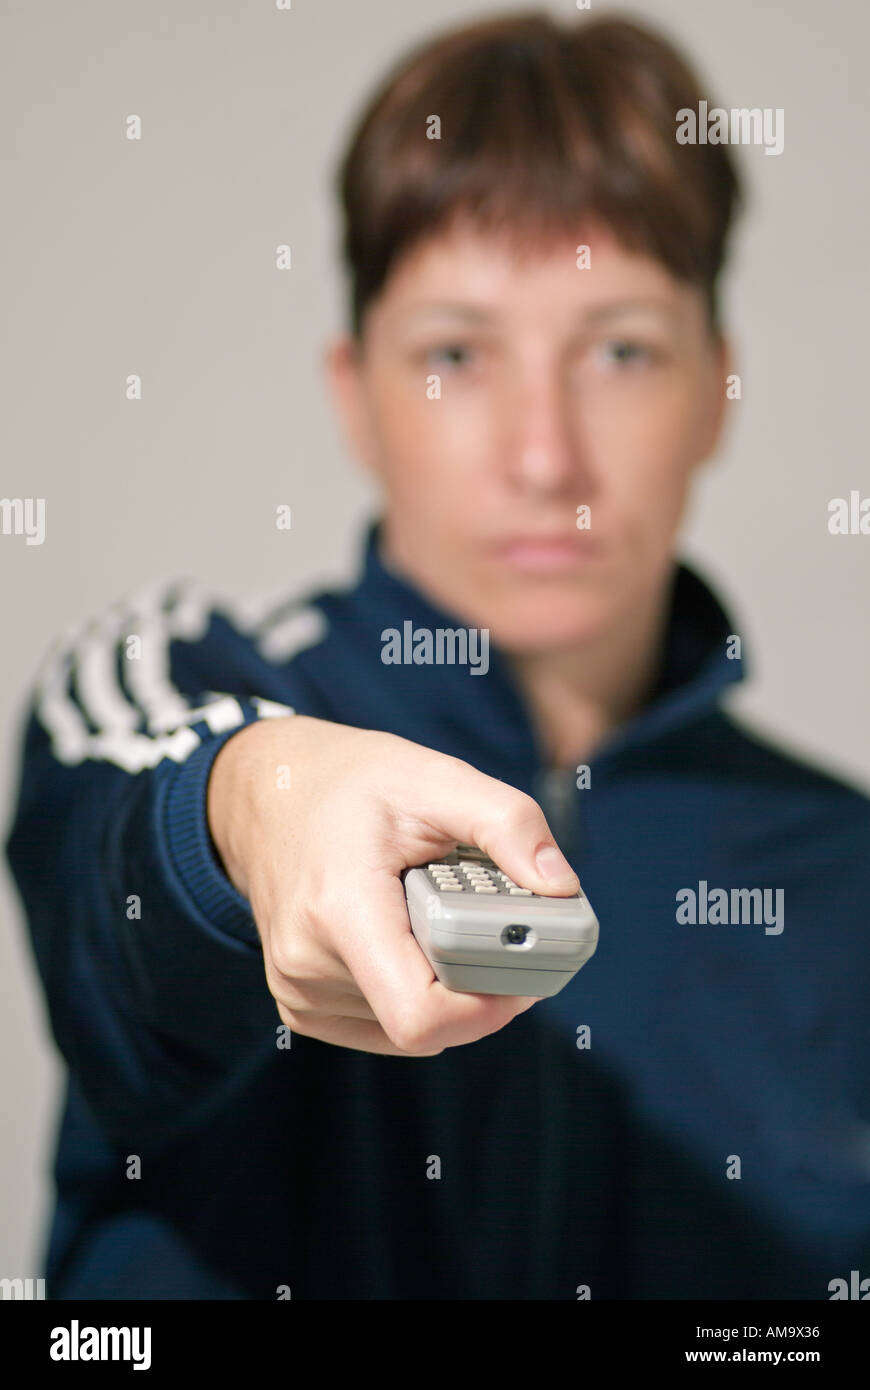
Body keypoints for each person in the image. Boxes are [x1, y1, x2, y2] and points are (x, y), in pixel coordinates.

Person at [6, 12, 870, 1300]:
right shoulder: (186, 684)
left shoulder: (846, 874)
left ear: (715, 389)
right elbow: (111, 841)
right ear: (354, 392)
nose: (544, 455)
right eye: (456, 355)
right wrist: (253, 810)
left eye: (621, 351)